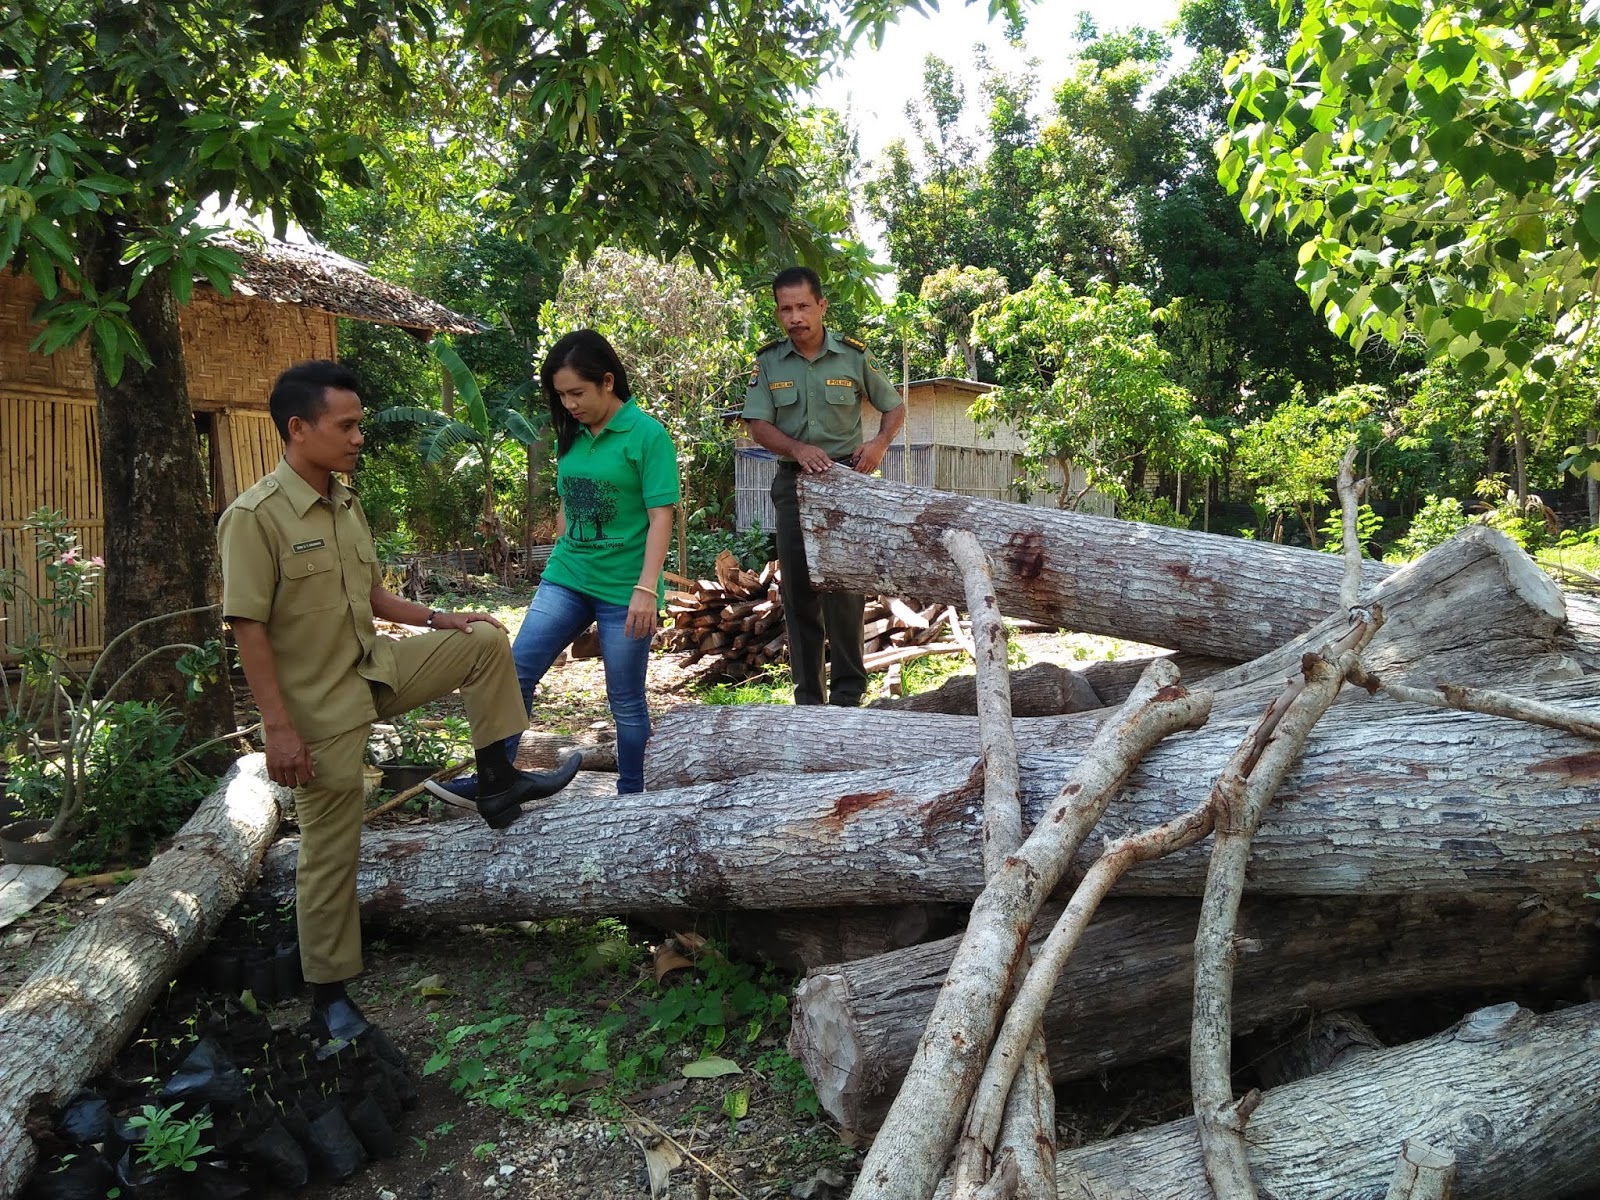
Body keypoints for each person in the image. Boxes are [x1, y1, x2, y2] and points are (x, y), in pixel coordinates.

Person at [218, 359, 581, 1050]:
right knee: (331, 852)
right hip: (319, 706)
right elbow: (248, 627)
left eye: (359, 424)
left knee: (484, 641)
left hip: (375, 667)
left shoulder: (344, 501)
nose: (360, 437)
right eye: (346, 425)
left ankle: (498, 782)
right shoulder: (254, 518)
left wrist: (441, 619)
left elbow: (373, 596)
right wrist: (277, 729)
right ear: (299, 429)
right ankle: (329, 999)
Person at [425, 329, 678, 799]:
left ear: (607, 381)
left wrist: (647, 589)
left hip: (625, 588)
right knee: (515, 670)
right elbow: (568, 497)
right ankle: (496, 781)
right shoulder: (573, 432)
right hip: (567, 577)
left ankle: (632, 800)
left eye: (577, 393)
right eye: (561, 395)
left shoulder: (648, 436)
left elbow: (661, 516)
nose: (569, 404)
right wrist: (565, 530)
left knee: (625, 699)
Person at [741, 266, 905, 706]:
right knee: (798, 594)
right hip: (793, 484)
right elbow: (758, 425)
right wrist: (796, 449)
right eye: (785, 309)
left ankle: (848, 696)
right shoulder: (769, 362)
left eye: (803, 306)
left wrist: (879, 444)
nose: (795, 317)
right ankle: (809, 702)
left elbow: (893, 406)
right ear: (778, 312)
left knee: (845, 594)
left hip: (844, 484)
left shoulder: (853, 356)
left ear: (821, 306)